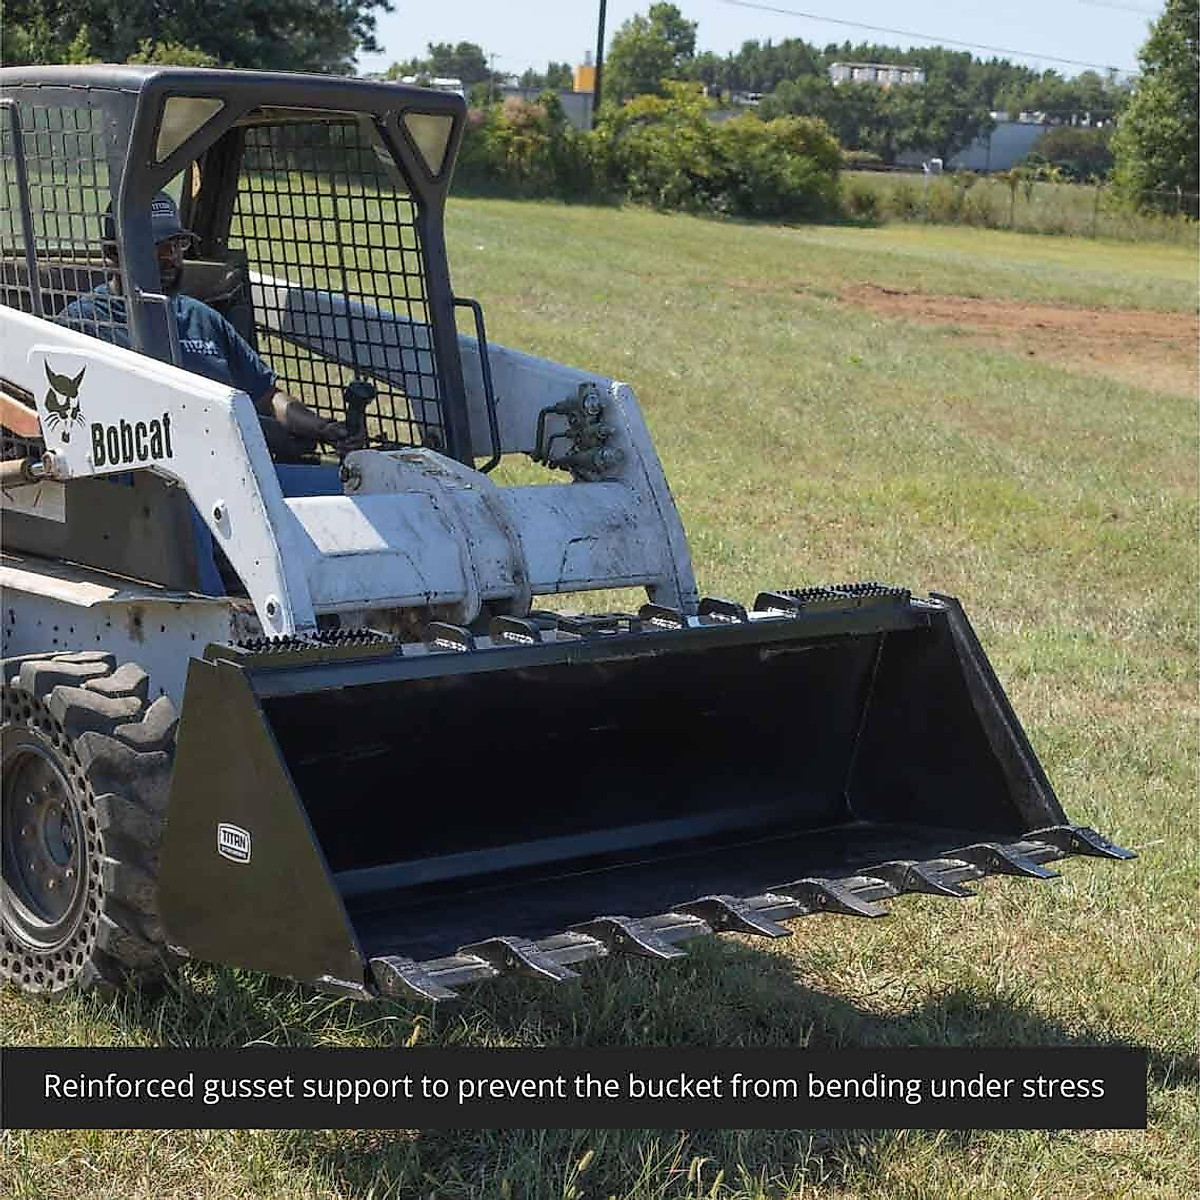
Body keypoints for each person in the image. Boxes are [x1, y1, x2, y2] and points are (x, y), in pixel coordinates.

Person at [57, 192, 358, 461]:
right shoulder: (82, 324)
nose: (171, 258)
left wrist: (323, 428)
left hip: (229, 466)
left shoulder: (202, 319)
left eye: (176, 245)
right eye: (155, 247)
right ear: (112, 254)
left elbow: (267, 397)